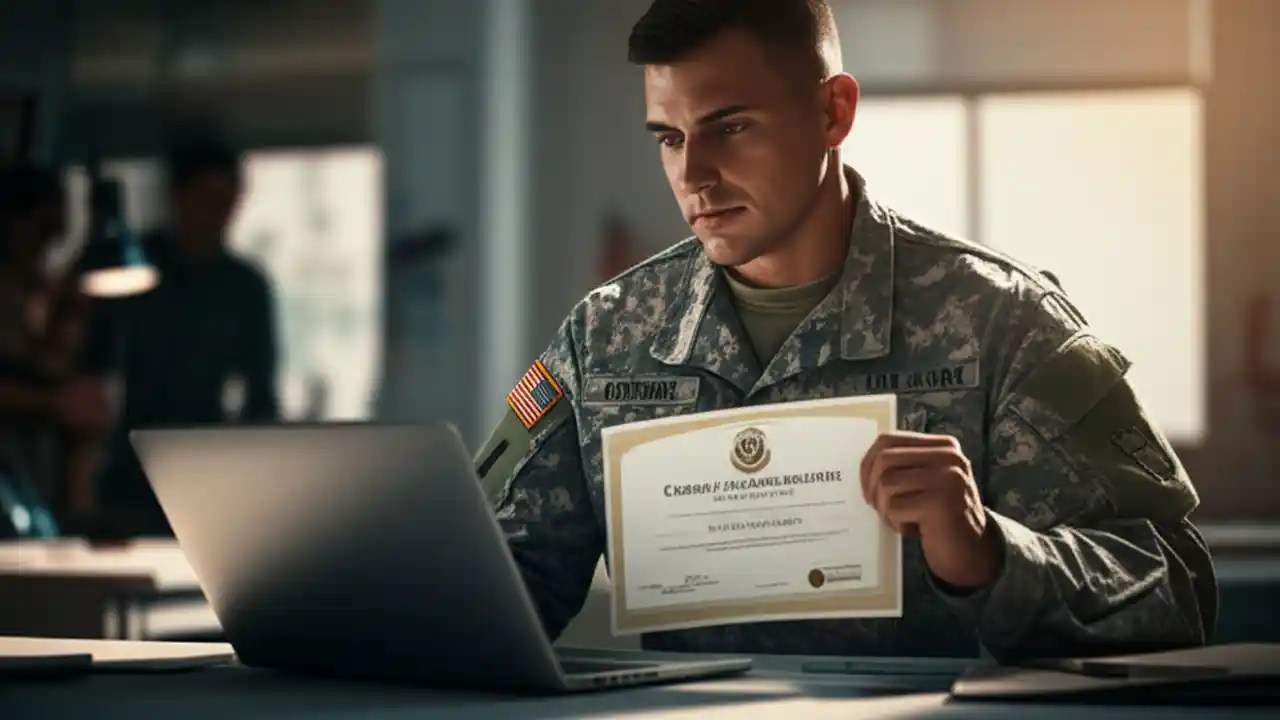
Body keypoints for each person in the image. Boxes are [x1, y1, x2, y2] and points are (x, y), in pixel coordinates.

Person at [471, 0, 1214, 660]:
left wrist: (991, 553)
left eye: (730, 127)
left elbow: (1176, 586)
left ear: (834, 113)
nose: (694, 174)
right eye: (669, 137)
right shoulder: (604, 340)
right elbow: (493, 586)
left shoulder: (1002, 322)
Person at [87, 141, 279, 535]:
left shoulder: (244, 286)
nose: (222, 214)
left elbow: (261, 395)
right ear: (178, 197)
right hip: (130, 468)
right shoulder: (130, 269)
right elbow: (93, 367)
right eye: (210, 199)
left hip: (208, 471)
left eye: (230, 201)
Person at [0, 164, 109, 535]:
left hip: (43, 475)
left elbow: (61, 366)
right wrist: (52, 402)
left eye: (56, 230)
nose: (47, 243)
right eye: (39, 227)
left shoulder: (51, 293)